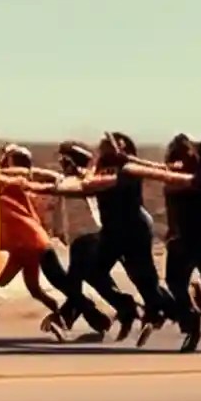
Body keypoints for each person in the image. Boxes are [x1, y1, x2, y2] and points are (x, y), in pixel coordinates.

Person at [68, 132, 185, 347]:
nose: (105, 147)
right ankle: (127, 308)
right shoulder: (102, 167)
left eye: (111, 145)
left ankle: (184, 317)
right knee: (94, 271)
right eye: (103, 144)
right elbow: (87, 182)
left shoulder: (129, 167)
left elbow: (93, 184)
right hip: (112, 231)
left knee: (145, 280)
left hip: (134, 229)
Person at [0, 144, 105, 340]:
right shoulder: (14, 184)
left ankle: (90, 317)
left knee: (65, 283)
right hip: (23, 246)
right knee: (48, 286)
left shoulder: (15, 183)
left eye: (6, 157)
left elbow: (18, 175)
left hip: (36, 242)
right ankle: (70, 316)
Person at [31, 141, 136, 341]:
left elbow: (66, 185)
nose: (61, 163)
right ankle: (117, 310)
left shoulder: (83, 180)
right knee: (94, 280)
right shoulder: (71, 180)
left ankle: (74, 318)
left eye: (64, 160)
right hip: (80, 239)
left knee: (75, 283)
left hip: (89, 236)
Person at [148, 139, 201, 351]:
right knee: (175, 282)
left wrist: (152, 169)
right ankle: (191, 322)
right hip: (183, 238)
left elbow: (179, 181)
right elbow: (172, 205)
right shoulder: (173, 179)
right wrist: (172, 231)